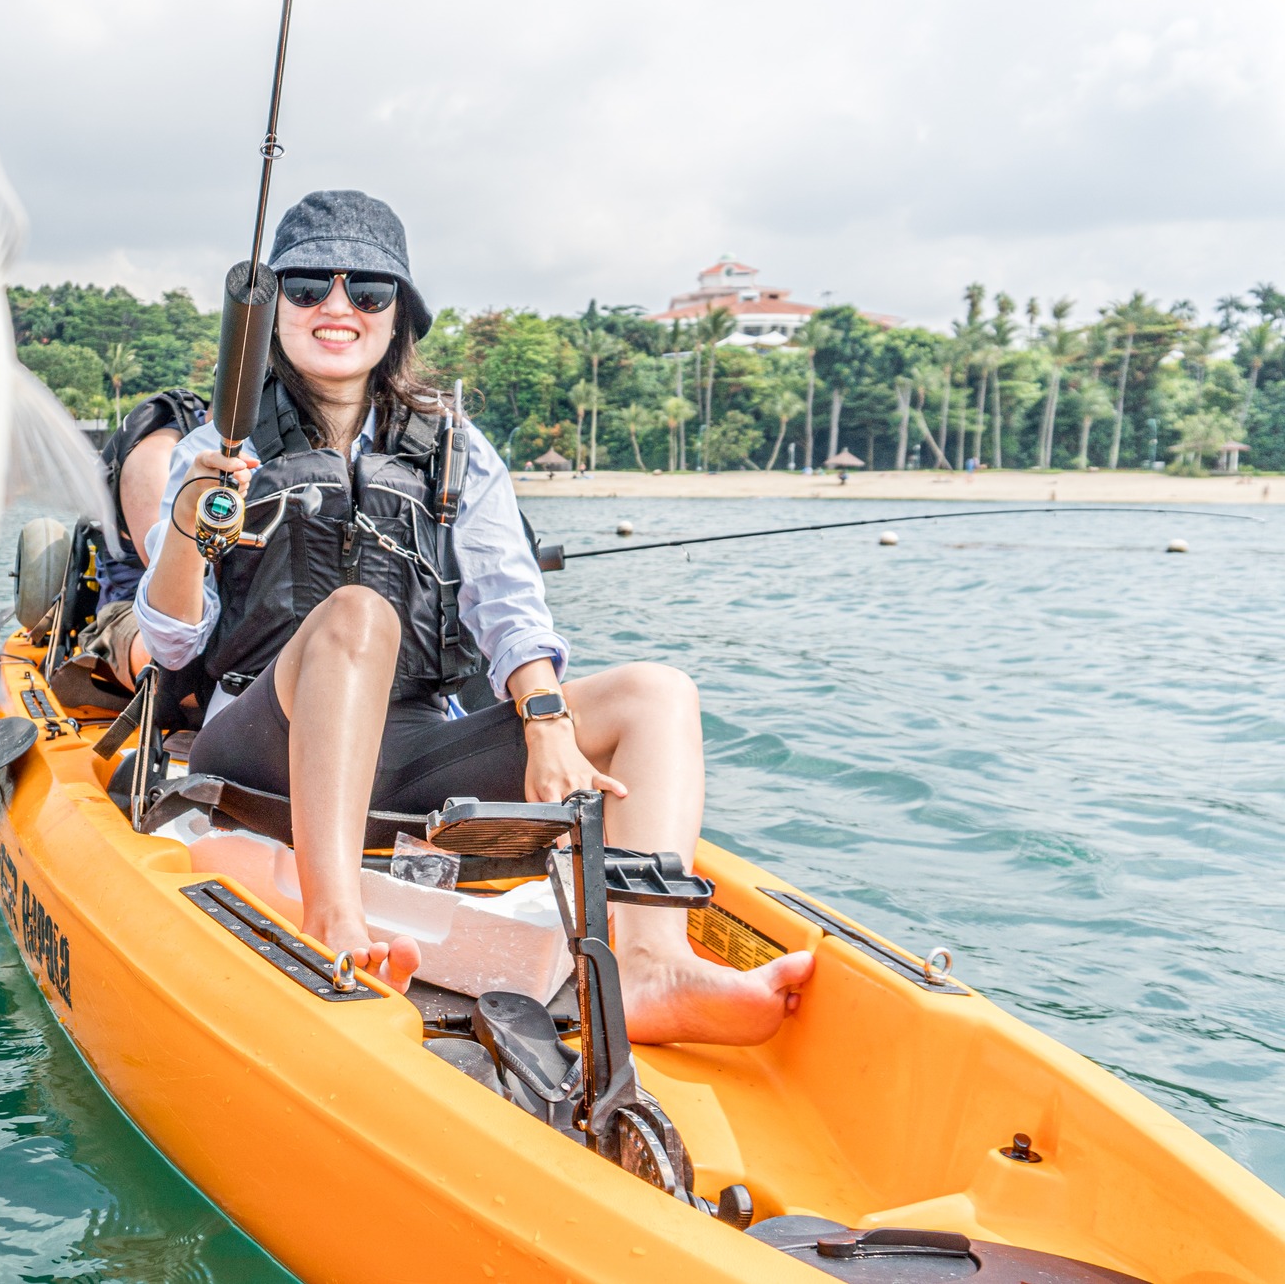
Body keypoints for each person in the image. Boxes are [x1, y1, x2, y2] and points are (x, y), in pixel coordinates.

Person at [135, 190, 813, 1045]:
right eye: (308, 287)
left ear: (397, 318)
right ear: (273, 311)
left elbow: (508, 598)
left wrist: (546, 721)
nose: (337, 307)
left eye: (368, 292)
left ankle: (646, 964)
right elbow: (168, 639)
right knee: (357, 613)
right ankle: (334, 919)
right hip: (263, 746)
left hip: (413, 749)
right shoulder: (216, 448)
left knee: (657, 693)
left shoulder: (456, 446)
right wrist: (191, 532)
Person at [64, 388, 209, 698]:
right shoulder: (157, 454)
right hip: (135, 613)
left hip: (239, 608)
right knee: (187, 671)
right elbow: (169, 600)